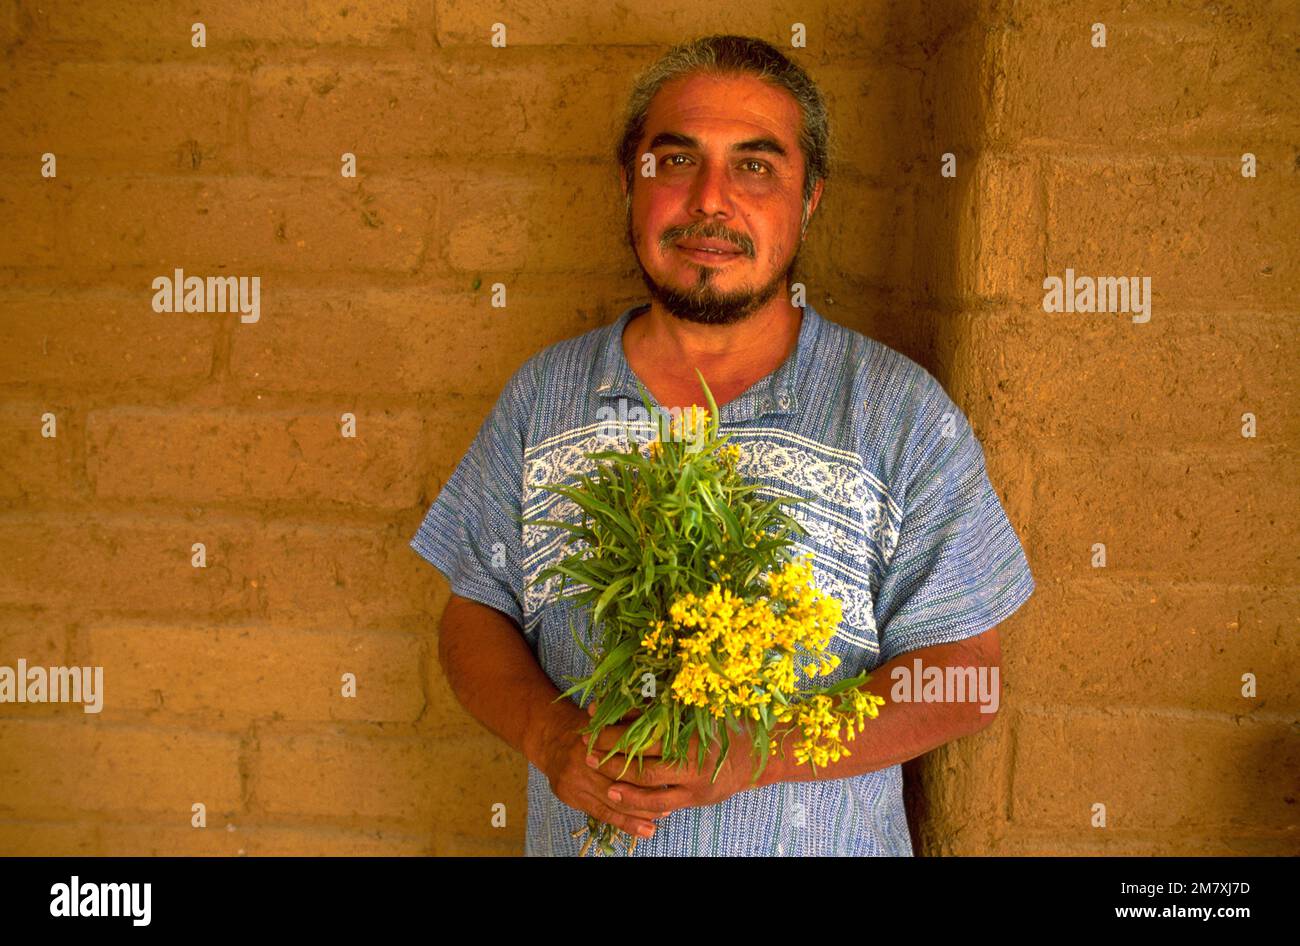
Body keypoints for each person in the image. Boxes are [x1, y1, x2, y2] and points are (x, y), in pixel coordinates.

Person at [409, 34, 1034, 856]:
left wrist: (759, 755)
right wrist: (550, 737)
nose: (710, 200)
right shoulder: (546, 396)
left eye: (755, 166)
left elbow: (964, 679)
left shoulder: (895, 412)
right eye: (674, 162)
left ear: (809, 198)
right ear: (628, 184)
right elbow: (474, 610)